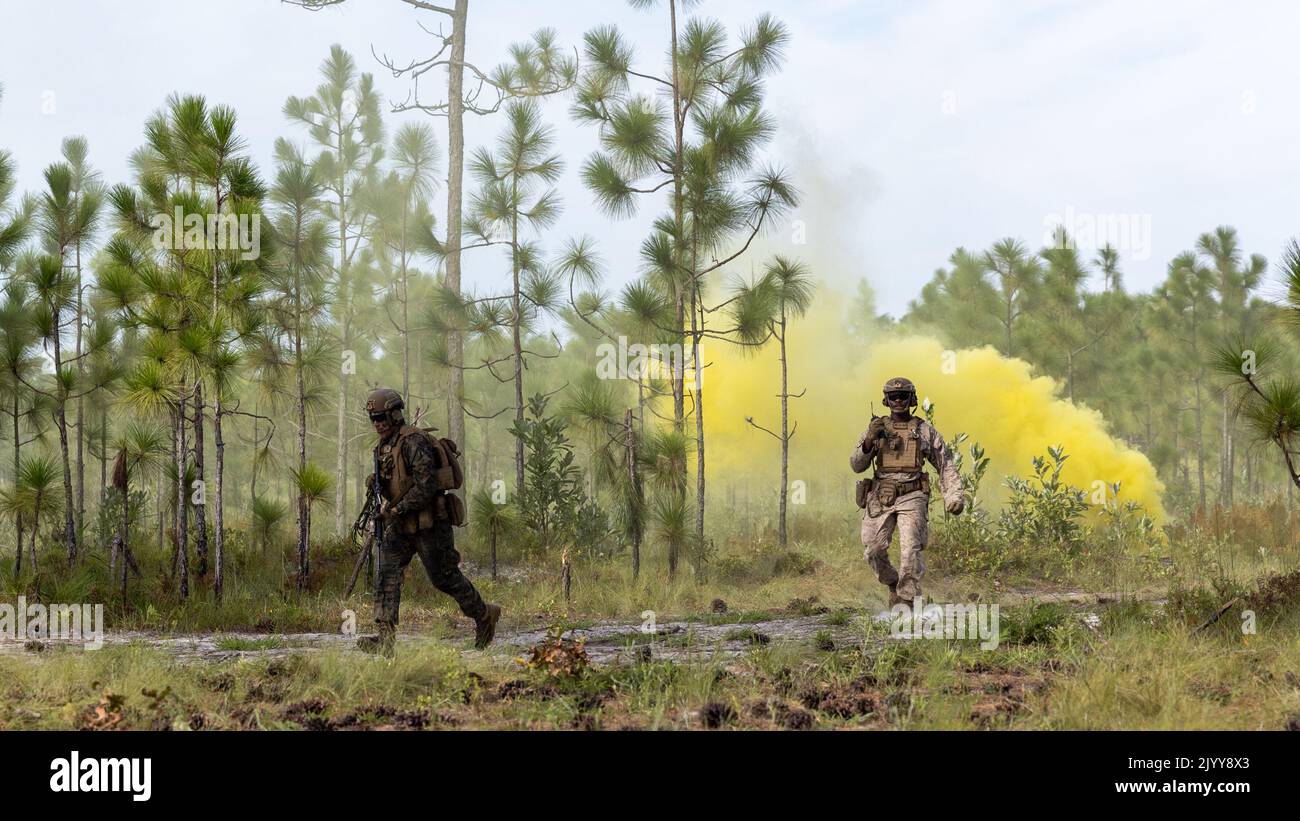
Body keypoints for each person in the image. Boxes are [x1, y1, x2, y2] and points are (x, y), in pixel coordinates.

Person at [355, 388, 501, 655]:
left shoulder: (414, 442)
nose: (377, 423)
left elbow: (426, 486)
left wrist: (396, 511)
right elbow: (394, 482)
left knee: (444, 577)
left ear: (395, 414)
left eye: (381, 417)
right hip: (401, 524)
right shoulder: (383, 447)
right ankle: (385, 637)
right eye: (373, 418)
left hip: (429, 522)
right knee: (386, 572)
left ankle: (484, 615)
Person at [850, 377, 964, 607]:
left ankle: (906, 599)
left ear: (912, 399)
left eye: (903, 396)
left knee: (910, 549)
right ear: (886, 400)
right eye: (893, 397)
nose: (898, 400)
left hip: (912, 495)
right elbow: (856, 465)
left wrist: (954, 495)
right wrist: (869, 441)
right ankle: (892, 582)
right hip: (881, 495)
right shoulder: (876, 429)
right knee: (873, 549)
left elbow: (945, 463)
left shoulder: (924, 431)